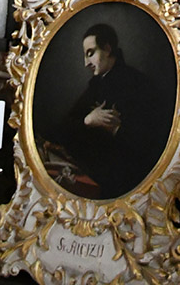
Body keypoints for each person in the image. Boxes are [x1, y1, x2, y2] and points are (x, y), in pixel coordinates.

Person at [57, 23, 169, 197]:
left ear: (107, 49)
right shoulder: (97, 84)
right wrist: (88, 120)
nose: (86, 63)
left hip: (128, 183)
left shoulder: (138, 83)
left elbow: (153, 141)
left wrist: (117, 129)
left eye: (90, 53)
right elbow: (63, 127)